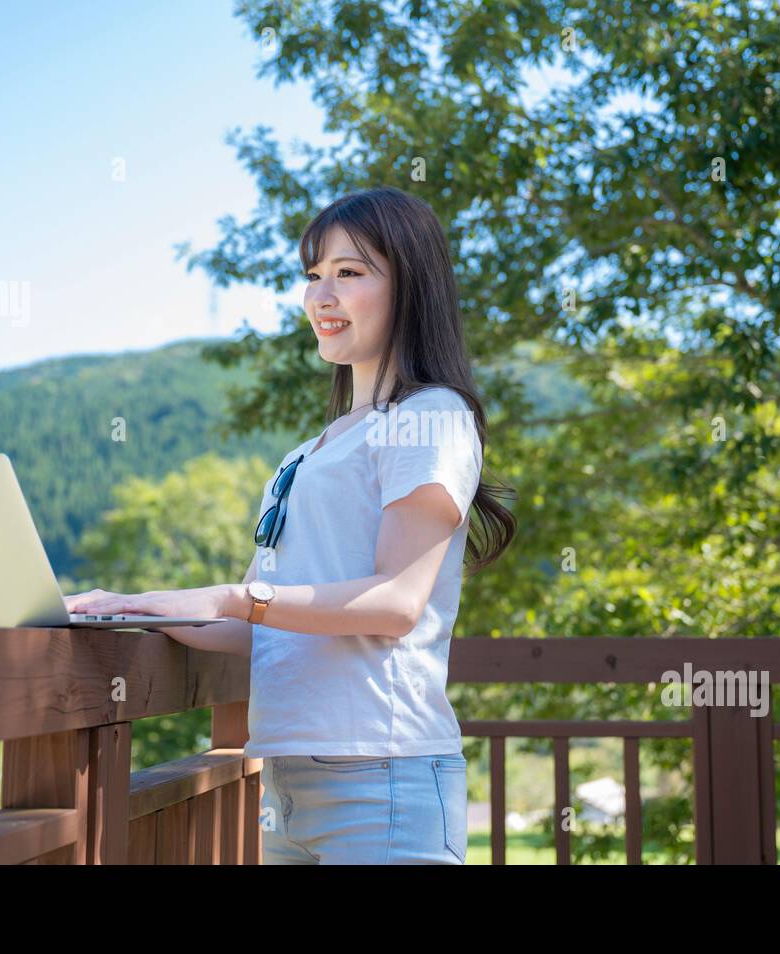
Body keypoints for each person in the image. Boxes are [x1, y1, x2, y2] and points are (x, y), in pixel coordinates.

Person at [65, 186, 517, 864]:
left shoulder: (431, 416)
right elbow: (258, 624)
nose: (320, 296)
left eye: (350, 272)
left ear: (412, 285)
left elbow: (394, 603)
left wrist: (227, 597)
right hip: (284, 781)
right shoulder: (307, 453)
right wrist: (132, 608)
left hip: (381, 779)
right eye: (313, 275)